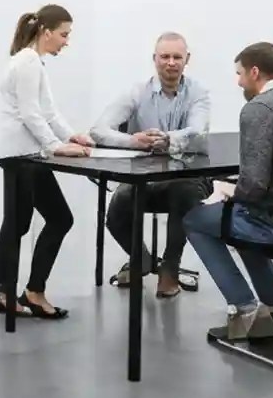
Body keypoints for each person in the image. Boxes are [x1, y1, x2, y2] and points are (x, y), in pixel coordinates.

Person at [182, 42, 273, 341]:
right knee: (240, 217)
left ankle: (246, 311)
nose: (238, 82)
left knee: (195, 220)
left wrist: (226, 189)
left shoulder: (259, 108)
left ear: (254, 72)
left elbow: (253, 186)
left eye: (239, 74)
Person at [90, 32, 211, 299]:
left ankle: (170, 267)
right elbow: (98, 130)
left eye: (177, 57)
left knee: (185, 194)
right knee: (117, 210)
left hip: (186, 177)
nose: (170, 62)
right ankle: (141, 258)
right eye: (164, 56)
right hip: (143, 177)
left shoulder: (199, 93)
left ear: (186, 59)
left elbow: (199, 133)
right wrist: (134, 141)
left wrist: (168, 140)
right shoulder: (136, 91)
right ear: (154, 59)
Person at [0, 4, 94, 320]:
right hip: (20, 155)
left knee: (41, 221)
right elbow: (29, 113)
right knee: (20, 225)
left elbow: (48, 112)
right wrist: (56, 147)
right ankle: (15, 294)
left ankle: (24, 293)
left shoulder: (33, 63)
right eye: (64, 35)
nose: (66, 41)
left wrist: (72, 137)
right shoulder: (26, 63)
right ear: (45, 31)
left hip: (28, 155)